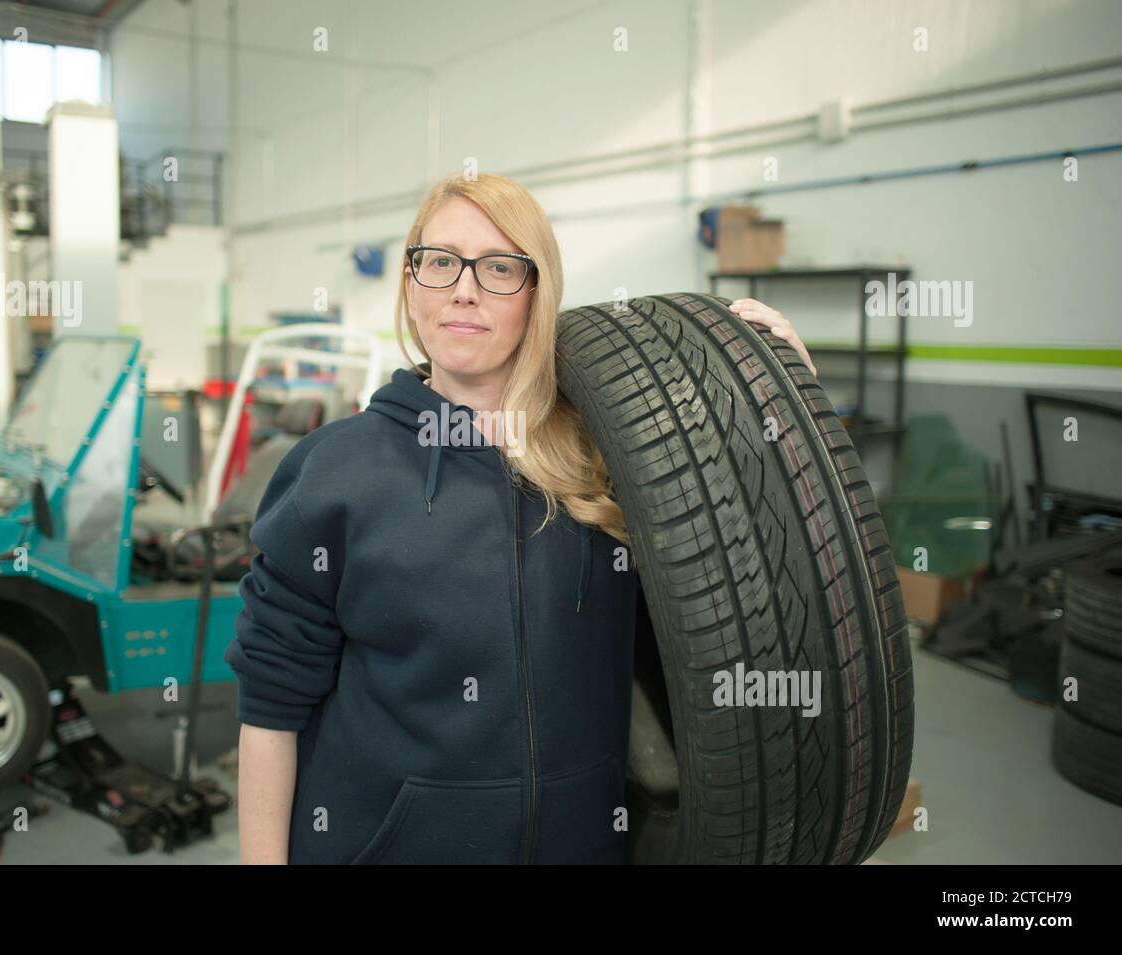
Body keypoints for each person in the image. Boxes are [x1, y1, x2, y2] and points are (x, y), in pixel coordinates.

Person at [223, 172, 816, 865]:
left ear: (536, 295)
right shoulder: (334, 470)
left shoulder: (617, 462)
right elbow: (269, 710)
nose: (464, 288)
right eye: (440, 261)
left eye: (500, 267)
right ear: (411, 286)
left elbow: (764, 567)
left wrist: (783, 390)